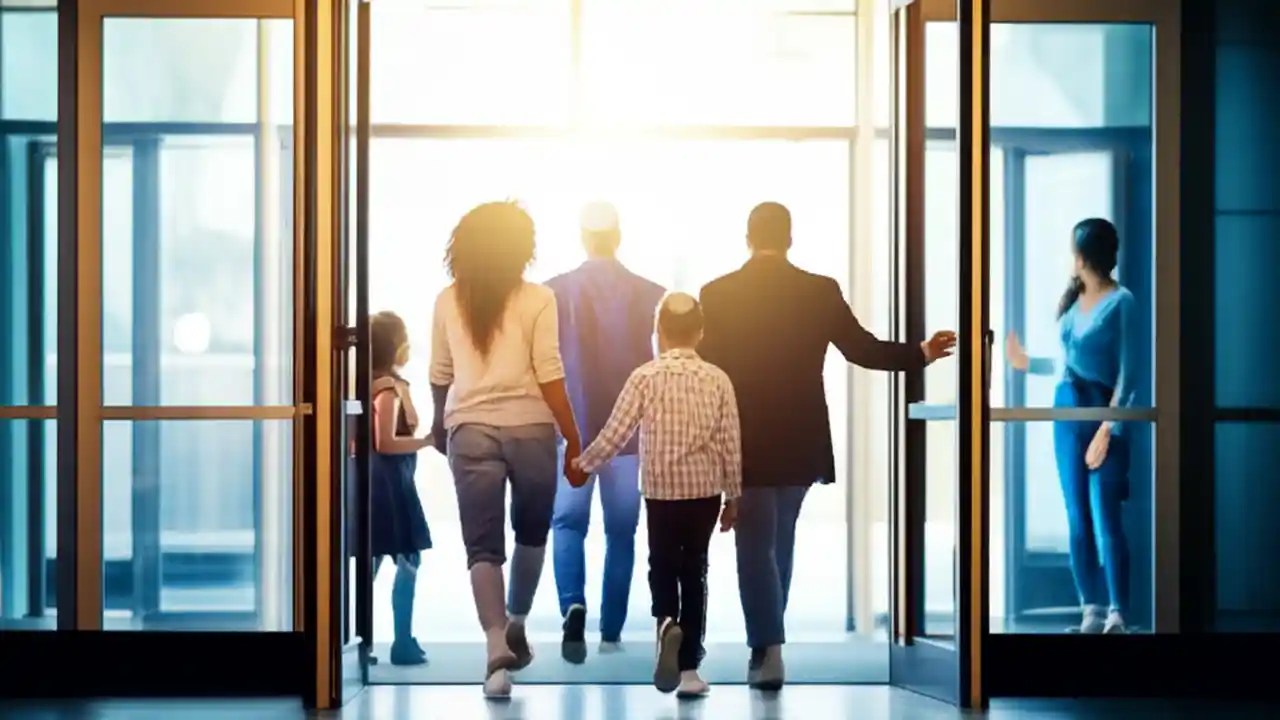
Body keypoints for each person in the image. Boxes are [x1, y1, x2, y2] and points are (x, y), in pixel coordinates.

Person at [698, 201, 956, 690]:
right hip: (801, 435)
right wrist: (919, 353)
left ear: (748, 238)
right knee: (780, 544)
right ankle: (769, 645)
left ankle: (767, 650)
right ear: (790, 239)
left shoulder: (717, 293)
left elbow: (705, 367)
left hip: (743, 434)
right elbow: (863, 349)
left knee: (755, 548)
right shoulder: (819, 290)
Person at [428, 201, 588, 698]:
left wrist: (440, 424)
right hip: (531, 429)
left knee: (482, 544)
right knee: (532, 531)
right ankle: (516, 621)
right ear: (523, 247)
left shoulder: (448, 299)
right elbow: (550, 372)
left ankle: (495, 648)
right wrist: (574, 436)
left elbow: (439, 373)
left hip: (469, 428)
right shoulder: (538, 298)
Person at [572, 292, 741, 699]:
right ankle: (689, 671)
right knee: (695, 571)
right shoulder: (717, 378)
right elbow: (730, 442)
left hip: (661, 492)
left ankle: (666, 623)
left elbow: (616, 432)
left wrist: (583, 465)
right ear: (700, 332)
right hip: (703, 492)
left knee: (661, 565)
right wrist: (733, 497)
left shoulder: (645, 377)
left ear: (659, 332)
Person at [545, 201, 666, 663]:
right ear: (618, 237)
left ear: (583, 237)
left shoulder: (553, 292)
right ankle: (610, 628)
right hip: (629, 437)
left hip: (573, 431)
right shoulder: (649, 293)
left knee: (567, 523)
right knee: (622, 532)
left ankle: (571, 605)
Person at [1006, 217, 1135, 635]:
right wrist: (1028, 365)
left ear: (1083, 256)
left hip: (1102, 413)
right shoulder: (1073, 302)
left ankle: (1118, 611)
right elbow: (1067, 365)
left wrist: (1107, 431)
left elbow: (1129, 376)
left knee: (1105, 516)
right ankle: (1091, 609)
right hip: (1066, 412)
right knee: (1077, 516)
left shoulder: (1122, 302)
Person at [369, 311, 435, 666]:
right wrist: (426, 441)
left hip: (382, 482)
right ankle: (402, 641)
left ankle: (359, 641)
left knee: (374, 559)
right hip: (391, 484)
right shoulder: (387, 389)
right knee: (408, 558)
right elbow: (385, 442)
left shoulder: (364, 383)